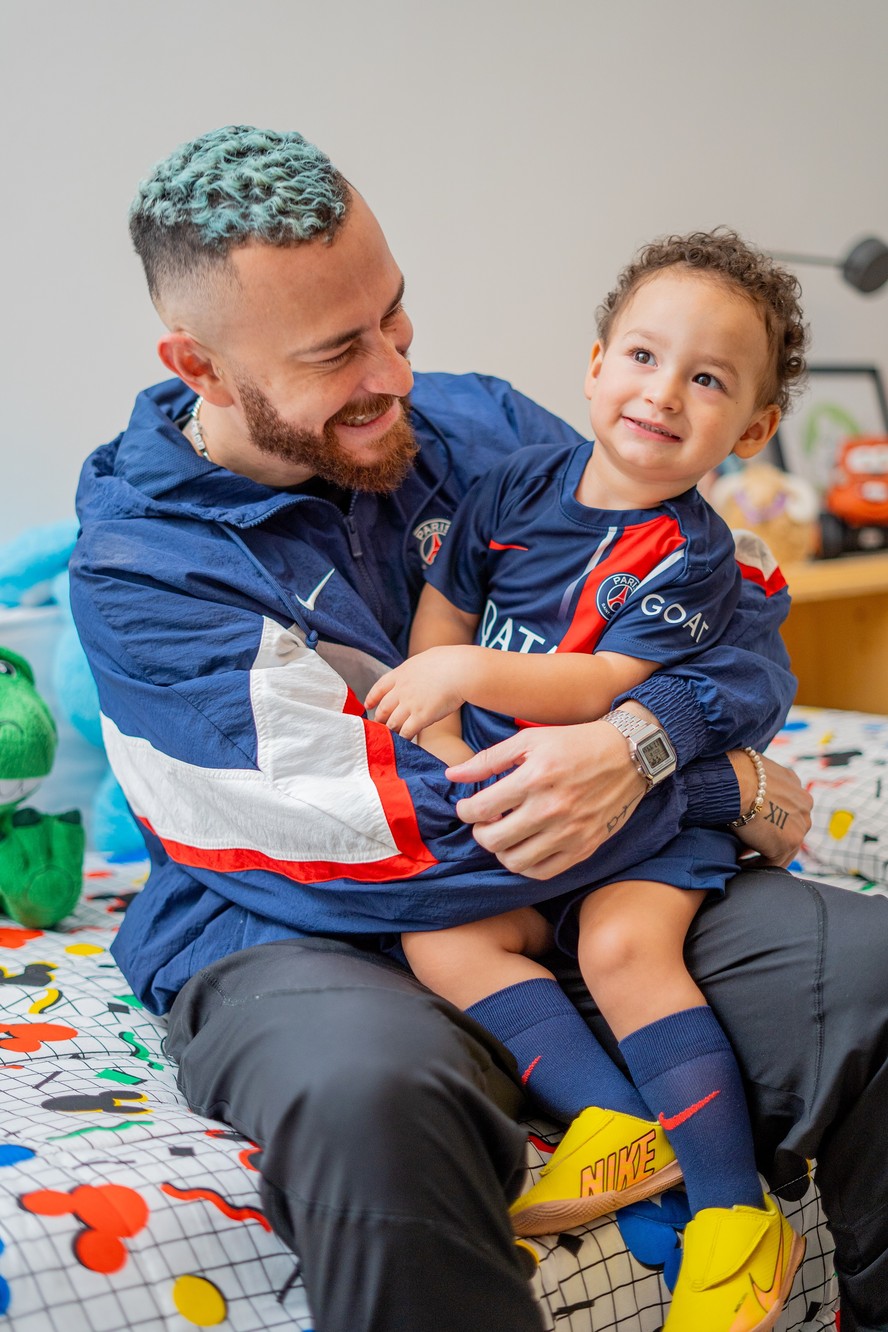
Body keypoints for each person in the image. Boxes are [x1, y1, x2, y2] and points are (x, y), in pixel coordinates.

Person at [67, 126, 888, 1332]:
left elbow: (732, 623)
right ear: (201, 364)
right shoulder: (144, 572)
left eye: (394, 317)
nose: (396, 372)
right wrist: (715, 787)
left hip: (595, 882)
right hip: (308, 932)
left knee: (872, 975)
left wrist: (642, 742)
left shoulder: (484, 431)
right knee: (371, 1106)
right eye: (338, 350)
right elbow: (381, 832)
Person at [365, 229, 806, 1328]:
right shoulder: (513, 487)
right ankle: (614, 1125)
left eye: (708, 380)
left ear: (752, 430)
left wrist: (470, 672)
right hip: (519, 804)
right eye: (645, 357)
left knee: (619, 949)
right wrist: (446, 729)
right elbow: (446, 615)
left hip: (638, 812)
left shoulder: (693, 554)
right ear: (598, 364)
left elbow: (605, 683)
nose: (663, 393)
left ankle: (737, 1217)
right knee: (442, 939)